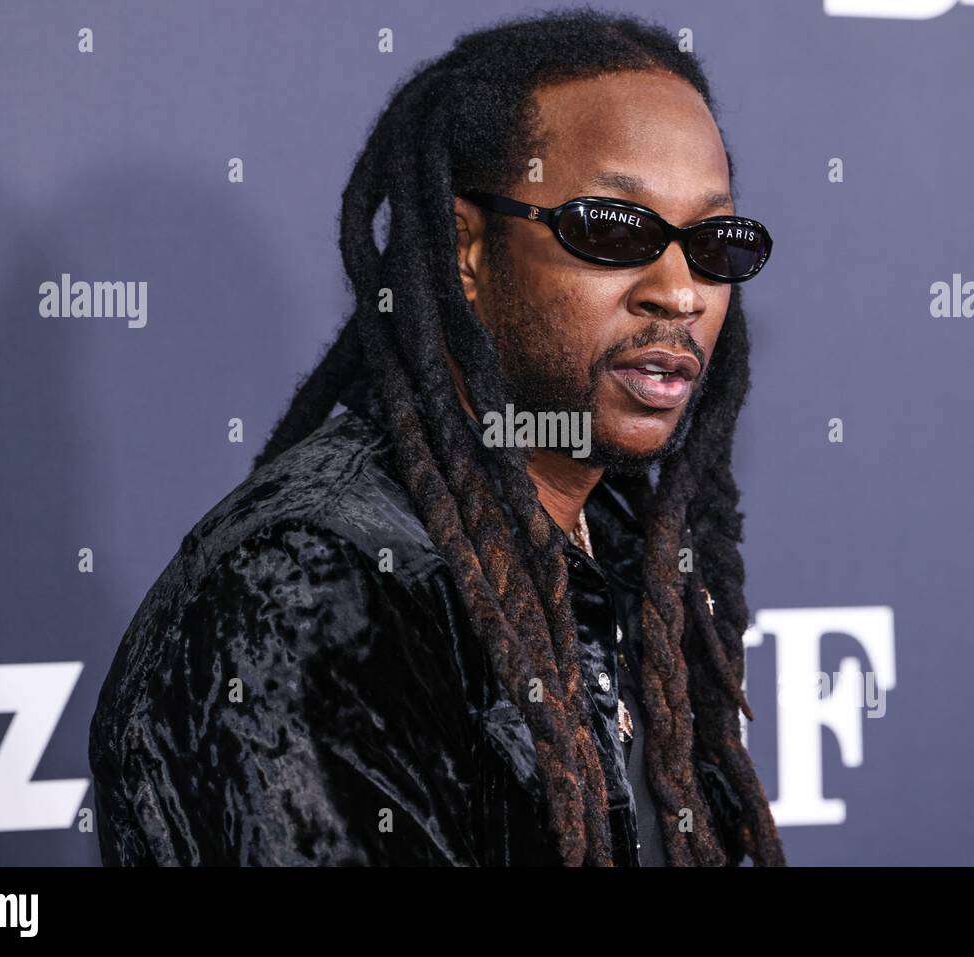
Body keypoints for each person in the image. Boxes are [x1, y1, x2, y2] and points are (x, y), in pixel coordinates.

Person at [88, 8, 784, 867]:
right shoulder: (312, 590)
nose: (680, 292)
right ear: (466, 247)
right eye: (611, 228)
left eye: (715, 244)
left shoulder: (631, 554)